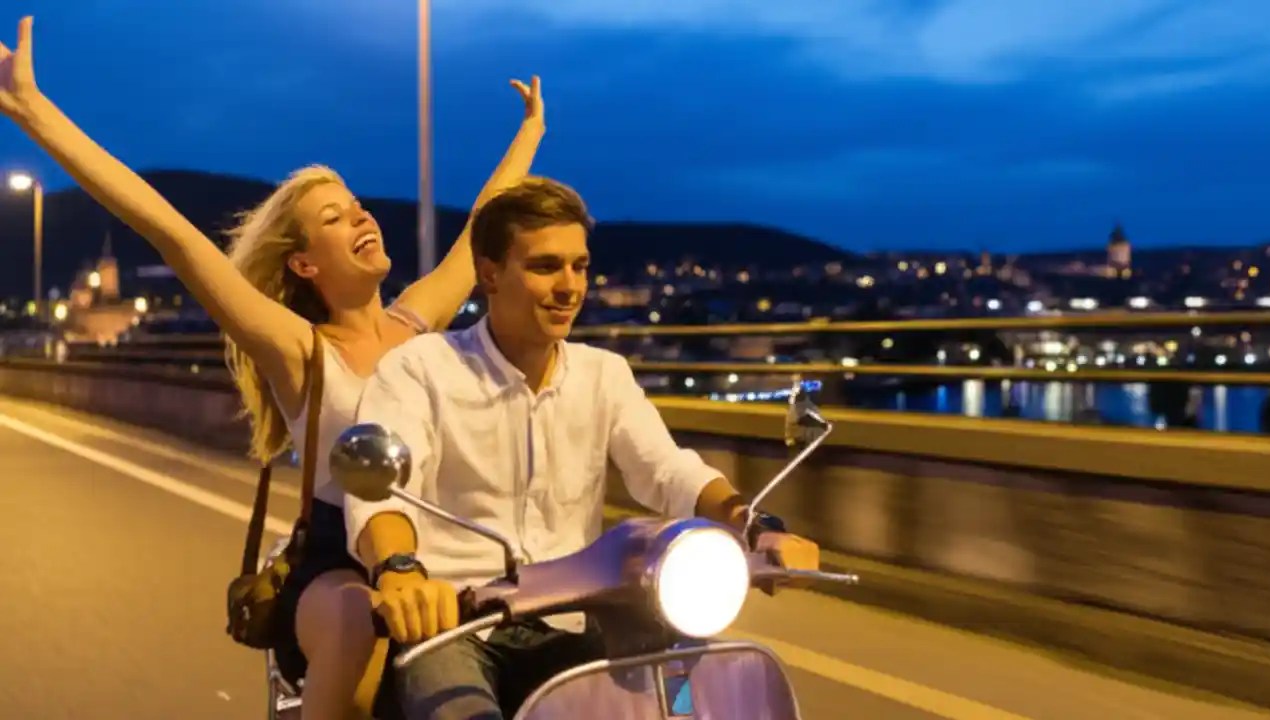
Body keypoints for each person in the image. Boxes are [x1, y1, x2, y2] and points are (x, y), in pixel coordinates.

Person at [0, 15, 548, 719]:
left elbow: (481, 230)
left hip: (431, 553)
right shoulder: (300, 348)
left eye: (358, 207)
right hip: (337, 566)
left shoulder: (416, 325)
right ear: (304, 264)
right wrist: (32, 111)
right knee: (357, 621)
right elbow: (171, 232)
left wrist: (530, 133)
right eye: (334, 218)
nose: (361, 218)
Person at [345, 176, 823, 719]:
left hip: (574, 619)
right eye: (546, 266)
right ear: (490, 273)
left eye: (580, 266)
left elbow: (667, 470)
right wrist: (400, 570)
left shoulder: (604, 375)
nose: (570, 286)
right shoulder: (422, 368)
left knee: (685, 701)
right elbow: (384, 490)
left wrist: (755, 525)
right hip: (456, 623)